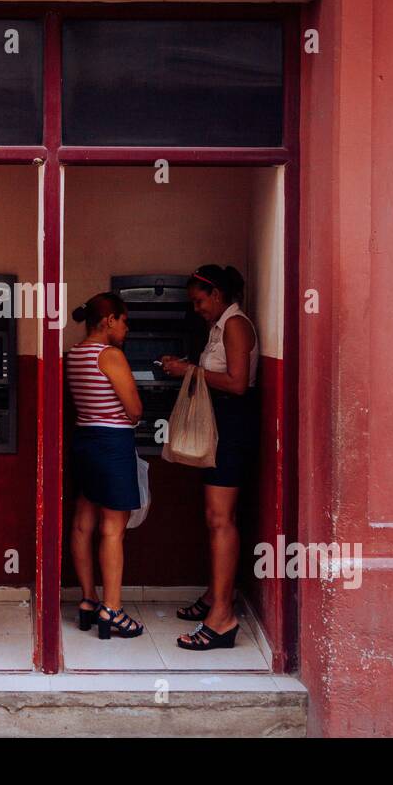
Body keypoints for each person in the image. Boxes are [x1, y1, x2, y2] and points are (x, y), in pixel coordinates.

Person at [160, 264, 259, 651]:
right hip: (223, 426)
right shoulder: (221, 327)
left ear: (217, 294)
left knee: (221, 520)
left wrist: (189, 370)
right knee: (215, 517)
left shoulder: (236, 326)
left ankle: (221, 618)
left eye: (200, 300)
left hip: (232, 427)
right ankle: (215, 597)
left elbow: (236, 383)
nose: (197, 308)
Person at [66, 292, 146, 640]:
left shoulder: (75, 354)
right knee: (113, 529)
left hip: (85, 440)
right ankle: (112, 610)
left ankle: (88, 599)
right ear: (109, 320)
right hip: (113, 444)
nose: (127, 328)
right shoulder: (110, 355)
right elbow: (136, 409)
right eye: (124, 320)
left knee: (83, 523)